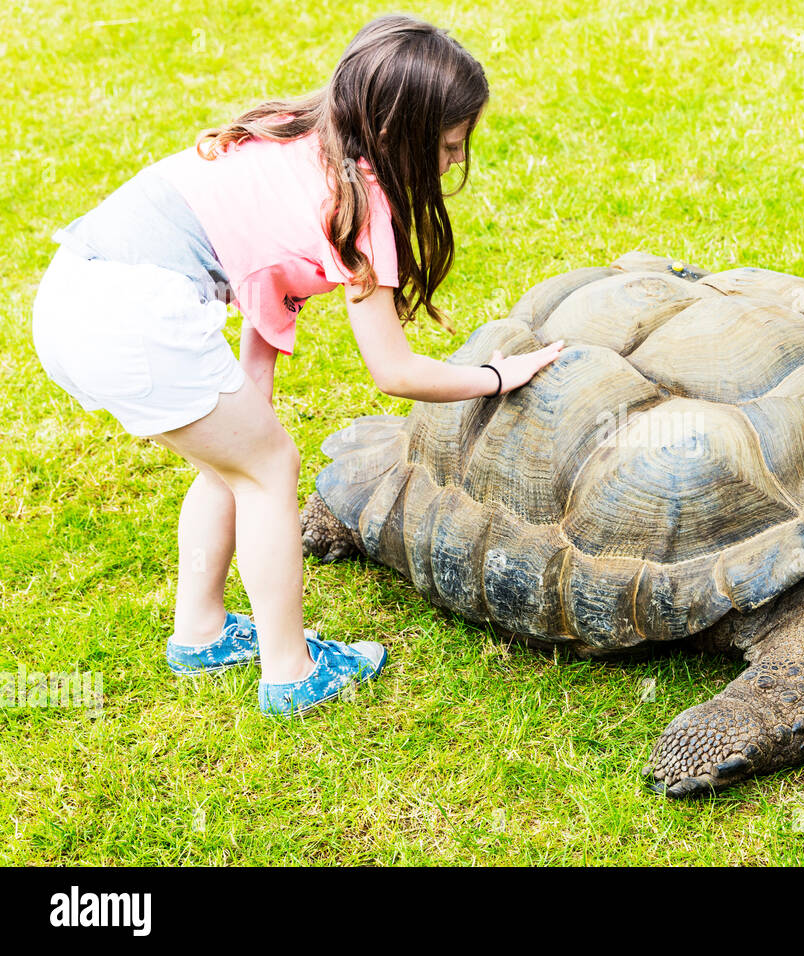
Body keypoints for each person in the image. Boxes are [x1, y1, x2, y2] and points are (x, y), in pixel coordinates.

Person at [30, 15, 564, 715]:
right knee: (268, 469)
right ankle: (291, 673)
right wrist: (497, 378)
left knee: (233, 462)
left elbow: (257, 273)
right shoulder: (363, 204)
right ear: (399, 136)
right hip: (133, 316)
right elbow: (395, 372)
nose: (455, 163)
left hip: (72, 294)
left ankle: (201, 631)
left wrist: (254, 393)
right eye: (448, 146)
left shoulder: (298, 131)